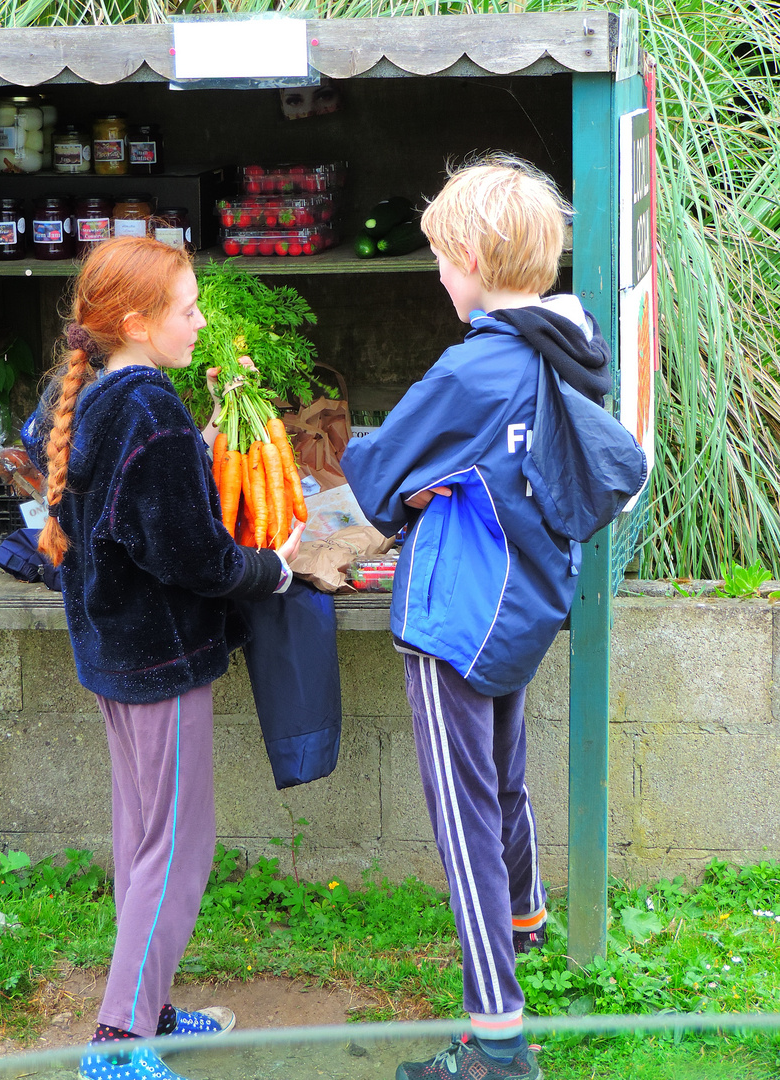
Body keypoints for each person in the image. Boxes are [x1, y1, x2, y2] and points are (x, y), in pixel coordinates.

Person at [341, 154, 613, 1080]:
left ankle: (496, 1041)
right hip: (524, 604)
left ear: (465, 255)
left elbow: (378, 475)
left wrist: (391, 467)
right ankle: (528, 918)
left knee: (462, 820)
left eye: (440, 260)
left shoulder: (473, 370)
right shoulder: (569, 343)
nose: (438, 277)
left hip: (456, 617)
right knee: (506, 775)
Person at [22, 235, 304, 1080]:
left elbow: (123, 509)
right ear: (138, 323)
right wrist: (277, 568)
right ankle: (118, 1043)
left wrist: (203, 441)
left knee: (141, 836)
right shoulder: (152, 411)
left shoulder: (94, 397)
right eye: (188, 310)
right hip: (162, 662)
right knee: (177, 849)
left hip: (112, 653)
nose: (201, 321)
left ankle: (148, 1005)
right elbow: (195, 558)